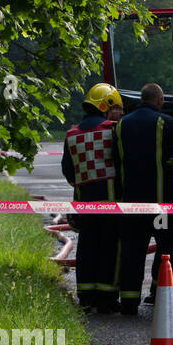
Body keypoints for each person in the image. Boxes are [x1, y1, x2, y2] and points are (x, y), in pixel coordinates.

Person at [115, 82, 173, 314]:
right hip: (159, 205)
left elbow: (114, 159)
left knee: (132, 250)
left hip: (131, 204)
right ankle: (162, 296)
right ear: (159, 100)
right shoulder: (167, 123)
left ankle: (129, 300)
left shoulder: (122, 124)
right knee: (166, 249)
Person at [61, 83, 123, 312]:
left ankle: (85, 296)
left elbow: (68, 171)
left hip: (83, 203)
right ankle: (106, 298)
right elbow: (120, 163)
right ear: (105, 105)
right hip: (110, 202)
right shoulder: (112, 130)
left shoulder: (72, 134)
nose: (118, 112)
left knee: (86, 248)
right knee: (109, 248)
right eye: (115, 106)